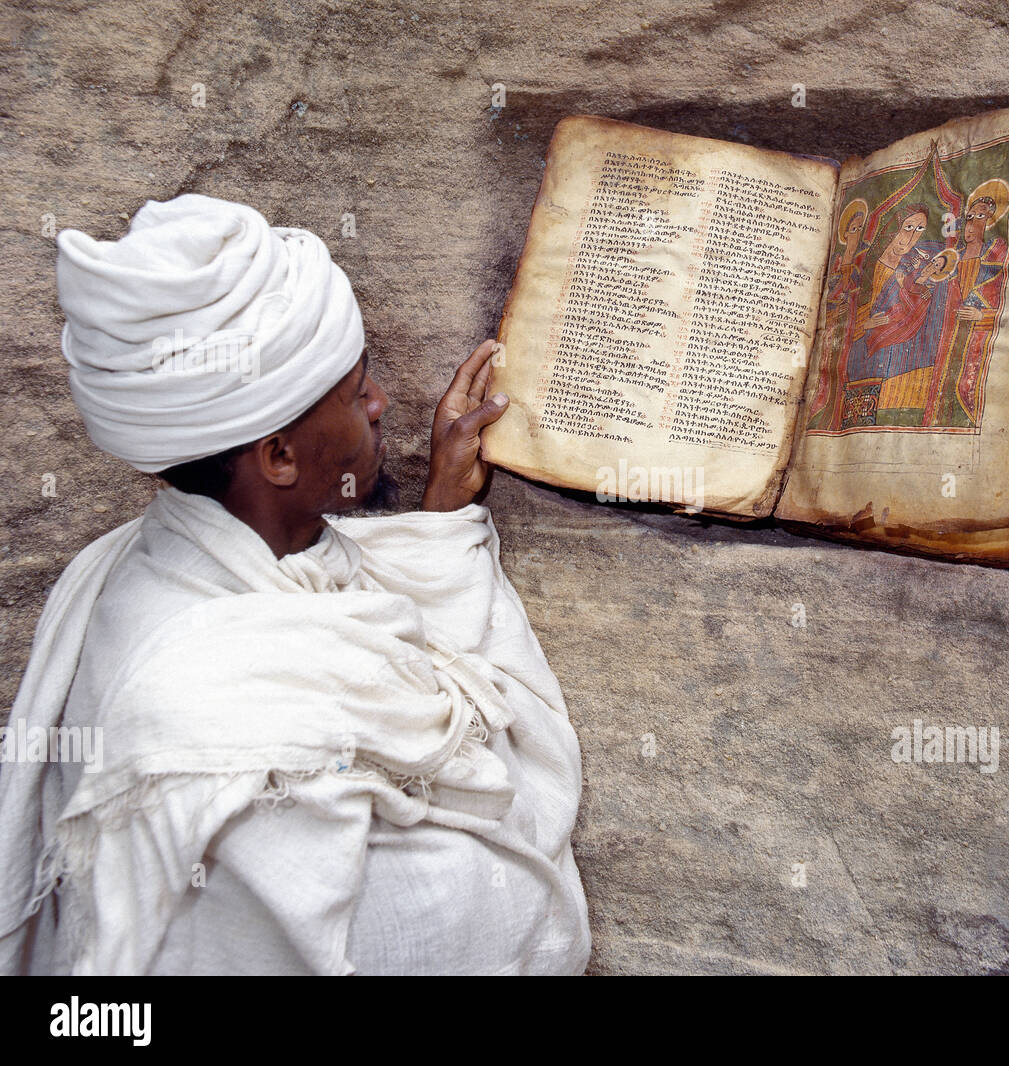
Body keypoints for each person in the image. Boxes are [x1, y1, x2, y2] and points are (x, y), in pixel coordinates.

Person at [0, 193, 591, 975]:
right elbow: (449, 923)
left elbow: (329, 606)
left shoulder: (165, 557)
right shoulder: (210, 741)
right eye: (356, 393)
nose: (382, 406)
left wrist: (441, 512)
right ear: (278, 457)